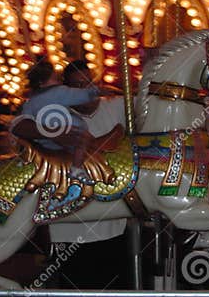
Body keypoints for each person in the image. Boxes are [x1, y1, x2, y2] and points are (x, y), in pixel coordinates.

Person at [48, 59, 129, 289]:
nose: (87, 91)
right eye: (78, 87)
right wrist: (115, 134)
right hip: (71, 226)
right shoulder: (57, 116)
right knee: (75, 287)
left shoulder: (117, 105)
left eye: (89, 83)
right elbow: (85, 151)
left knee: (113, 287)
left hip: (111, 222)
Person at [13, 58, 99, 182]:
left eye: (90, 83)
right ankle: (76, 169)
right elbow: (18, 125)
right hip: (55, 150)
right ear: (68, 87)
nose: (84, 88)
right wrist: (52, 133)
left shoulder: (115, 103)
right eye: (79, 85)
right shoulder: (55, 98)